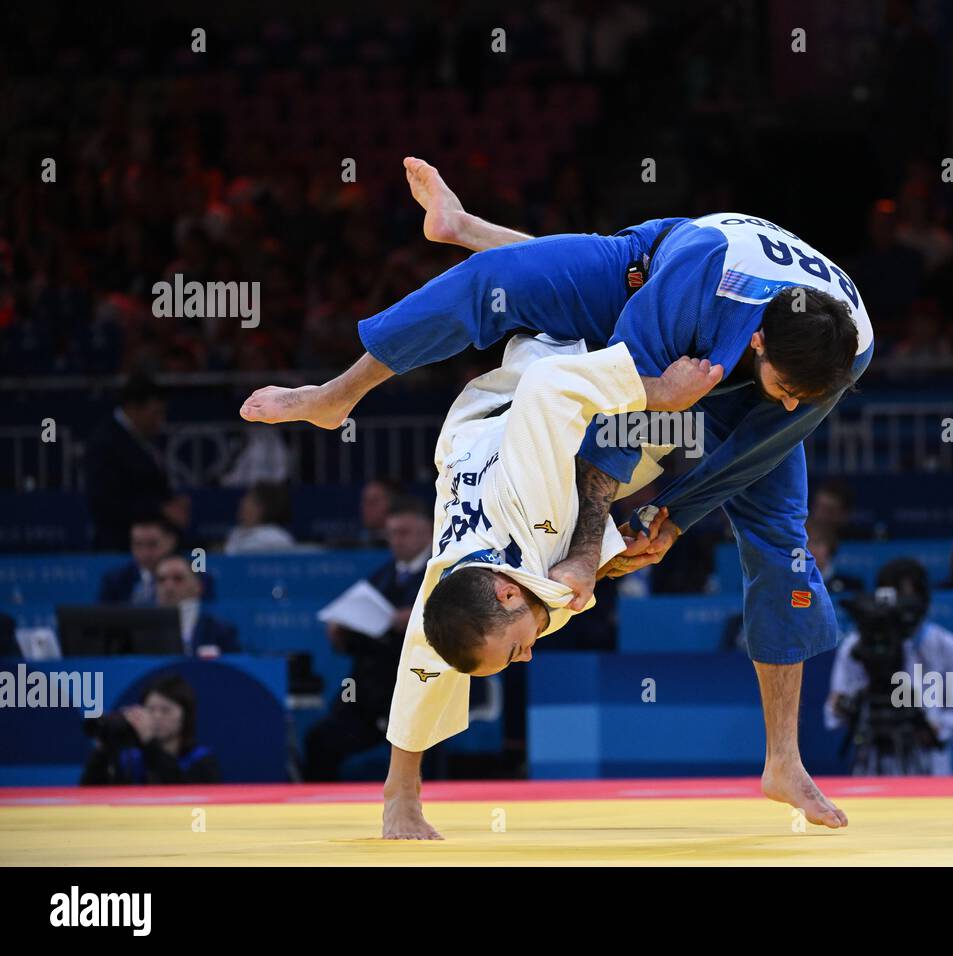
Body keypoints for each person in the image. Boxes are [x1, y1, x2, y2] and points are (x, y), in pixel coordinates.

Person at [241, 157, 875, 834]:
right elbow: (615, 418)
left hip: (552, 400)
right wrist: (618, 523)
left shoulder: (846, 350)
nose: (788, 400)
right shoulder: (696, 291)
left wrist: (674, 514)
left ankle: (784, 760)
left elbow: (757, 445)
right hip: (655, 274)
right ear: (756, 341)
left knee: (783, 545)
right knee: (491, 288)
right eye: (782, 385)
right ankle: (337, 393)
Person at [302, 496, 434, 781]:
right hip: (369, 693)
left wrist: (415, 617)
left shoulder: (442, 573)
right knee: (320, 738)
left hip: (418, 689)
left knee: (419, 749)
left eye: (404, 532)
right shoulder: (381, 576)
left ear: (429, 532)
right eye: (391, 534)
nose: (396, 541)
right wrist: (341, 631)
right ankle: (318, 811)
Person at [824, 559, 953, 775]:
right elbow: (836, 706)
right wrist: (845, 706)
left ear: (924, 600)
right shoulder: (857, 645)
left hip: (928, 762)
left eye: (909, 598)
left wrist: (937, 727)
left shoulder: (948, 646)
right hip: (871, 758)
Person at [84, 373, 190, 551]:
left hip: (155, 545)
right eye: (155, 413)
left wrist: (171, 504)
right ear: (133, 408)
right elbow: (103, 503)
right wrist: (160, 509)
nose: (161, 421)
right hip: (119, 547)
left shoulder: (144, 437)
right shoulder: (105, 442)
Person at [81, 673, 220, 785]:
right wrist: (103, 750)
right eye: (150, 709)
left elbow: (178, 790)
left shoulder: (201, 761)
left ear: (185, 716)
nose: (156, 717)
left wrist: (150, 743)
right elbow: (89, 793)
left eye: (166, 710)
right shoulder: (130, 758)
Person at [154, 555, 240, 655]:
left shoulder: (221, 630)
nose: (168, 586)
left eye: (178, 579)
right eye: (161, 580)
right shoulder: (144, 628)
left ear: (198, 586)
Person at [98, 517, 180, 606]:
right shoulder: (115, 580)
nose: (145, 553)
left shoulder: (184, 575)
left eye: (152, 544)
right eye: (138, 545)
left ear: (170, 541)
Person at [224, 481, 296, 554]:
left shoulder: (276, 539)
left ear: (261, 508)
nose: (242, 503)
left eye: (249, 500)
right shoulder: (235, 534)